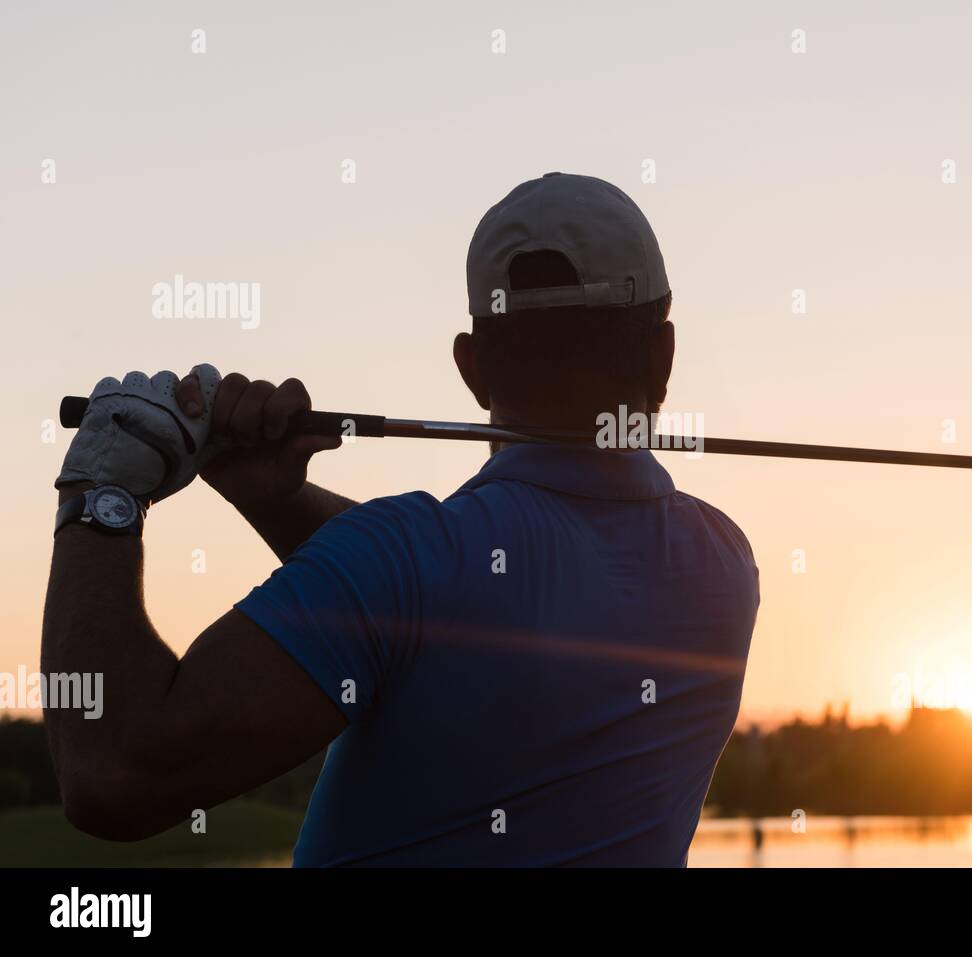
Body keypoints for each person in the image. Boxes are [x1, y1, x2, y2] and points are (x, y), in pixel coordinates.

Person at [41, 173, 760, 866]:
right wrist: (275, 497)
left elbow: (114, 775)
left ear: (471, 368)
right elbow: (447, 604)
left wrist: (103, 489)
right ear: (664, 357)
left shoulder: (406, 561)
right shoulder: (723, 567)